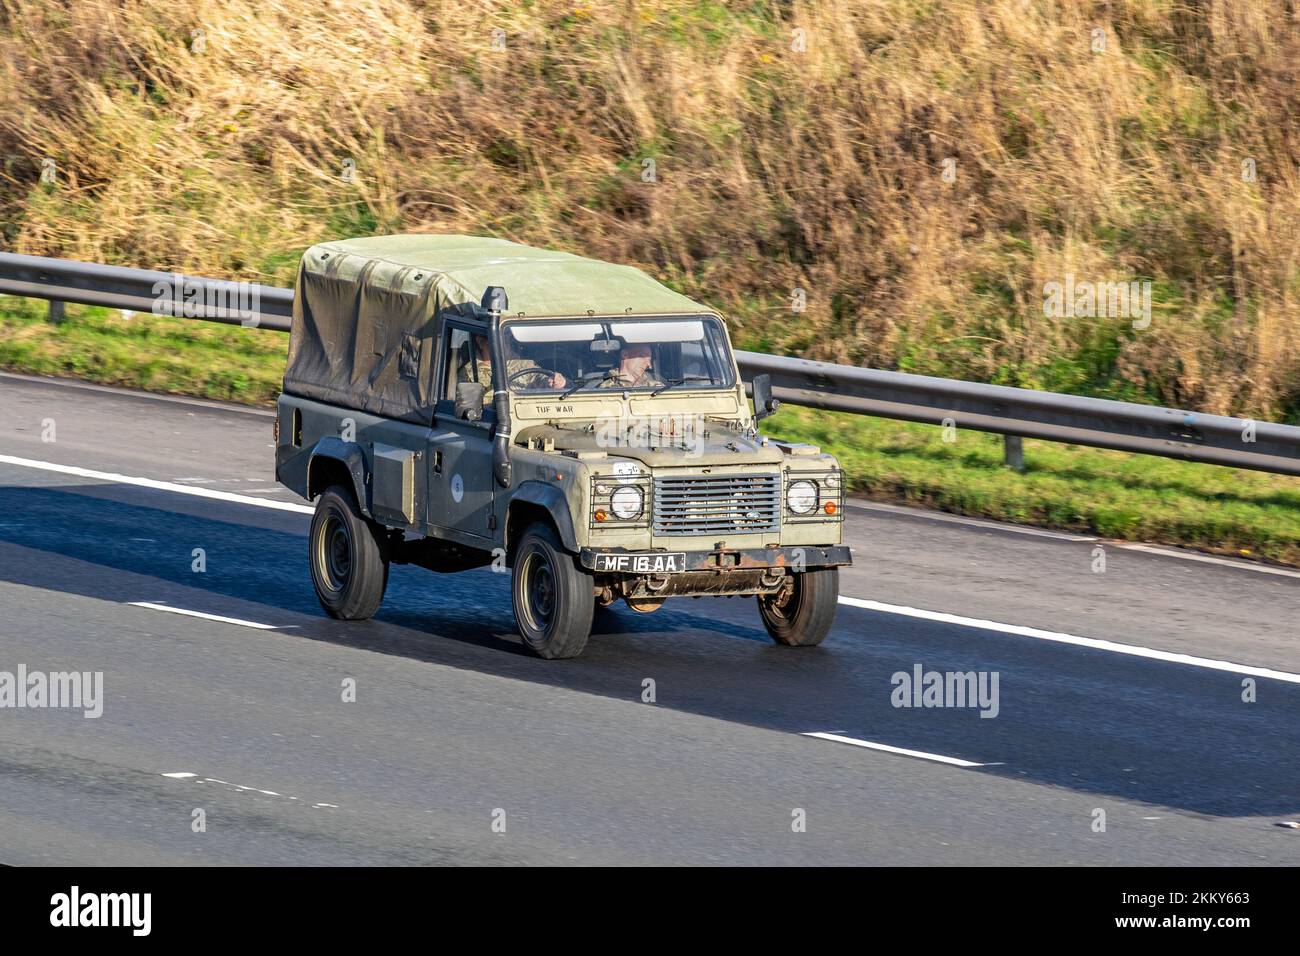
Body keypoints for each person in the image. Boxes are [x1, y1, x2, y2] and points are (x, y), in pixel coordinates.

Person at [468, 334, 565, 391]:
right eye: (496, 340)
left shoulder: (522, 365)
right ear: (480, 341)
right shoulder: (469, 372)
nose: (503, 345)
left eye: (506, 340)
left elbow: (538, 377)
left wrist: (553, 381)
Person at [598, 343, 663, 388]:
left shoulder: (656, 387)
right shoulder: (606, 388)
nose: (649, 365)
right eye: (642, 356)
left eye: (649, 360)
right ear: (625, 354)